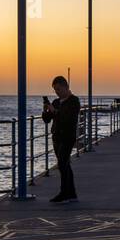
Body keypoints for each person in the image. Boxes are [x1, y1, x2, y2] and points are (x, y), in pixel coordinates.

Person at [42, 75, 80, 203]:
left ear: (65, 87)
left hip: (67, 136)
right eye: (55, 90)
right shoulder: (56, 102)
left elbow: (68, 119)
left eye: (58, 89)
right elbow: (47, 120)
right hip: (57, 137)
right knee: (65, 164)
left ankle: (64, 193)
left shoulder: (74, 101)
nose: (57, 92)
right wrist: (46, 110)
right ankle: (71, 193)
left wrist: (55, 111)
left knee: (62, 164)